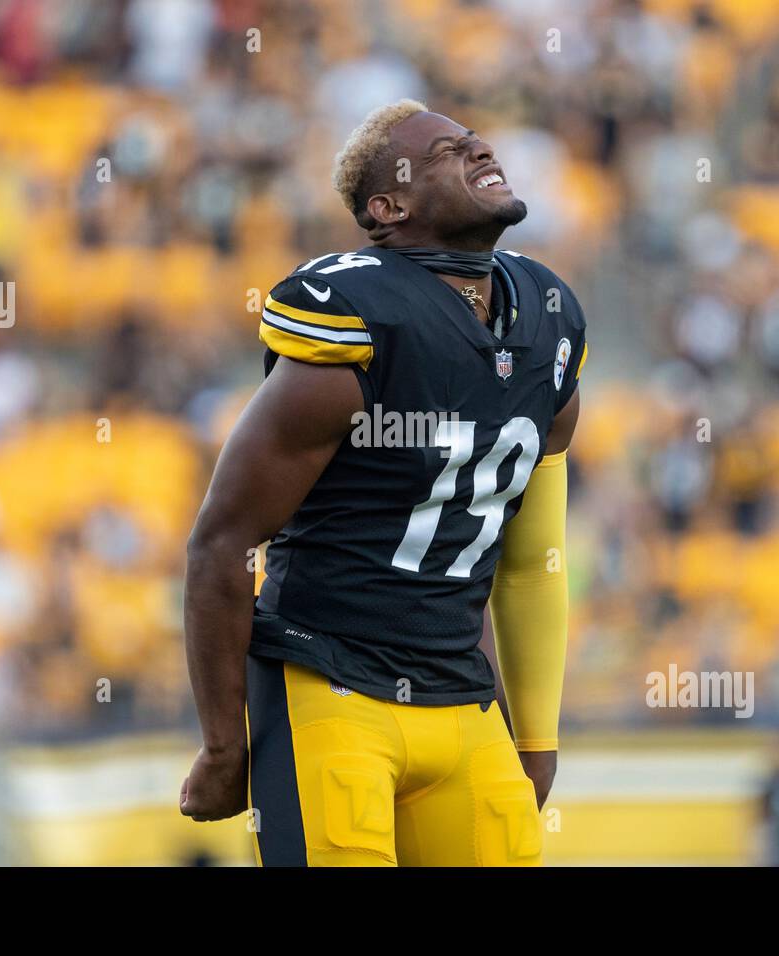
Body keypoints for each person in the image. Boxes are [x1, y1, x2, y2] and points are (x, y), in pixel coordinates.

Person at [178, 100, 587, 866]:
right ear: (388, 207)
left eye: (474, 139)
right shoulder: (361, 317)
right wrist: (225, 744)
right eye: (444, 152)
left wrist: (534, 736)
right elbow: (222, 541)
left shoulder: (548, 316)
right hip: (329, 685)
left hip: (462, 696)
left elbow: (533, 560)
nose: (478, 149)